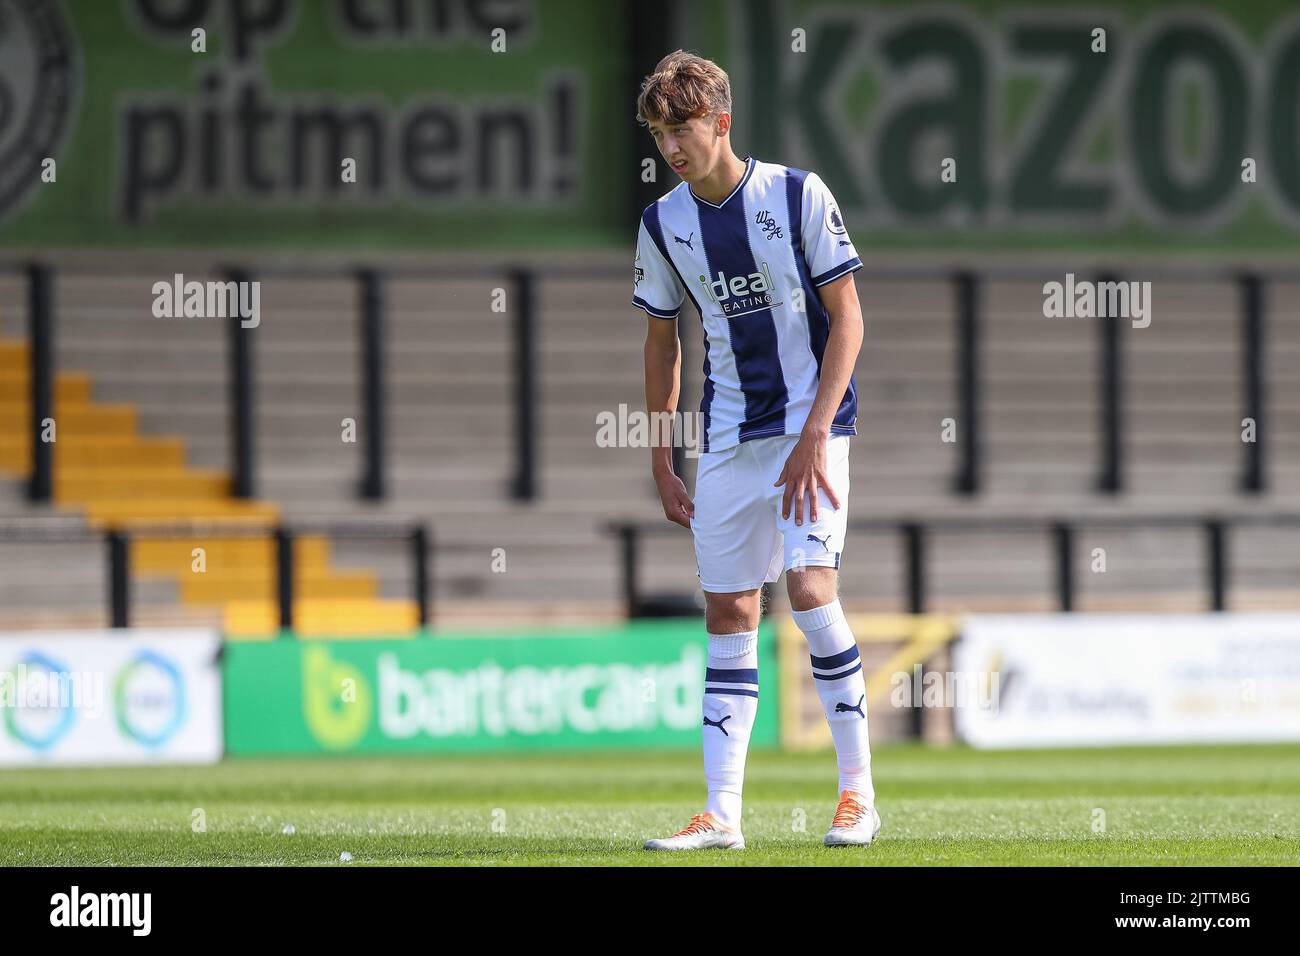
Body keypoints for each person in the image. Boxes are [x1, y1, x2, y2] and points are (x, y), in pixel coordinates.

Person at [633, 51, 879, 850]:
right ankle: (722, 814)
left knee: (809, 591)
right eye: (662, 133)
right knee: (730, 611)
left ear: (722, 122)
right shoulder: (662, 224)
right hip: (731, 437)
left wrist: (815, 432)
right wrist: (663, 458)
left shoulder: (797, 194)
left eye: (685, 129)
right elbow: (663, 343)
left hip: (814, 428)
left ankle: (857, 795)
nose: (673, 146)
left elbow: (849, 319)